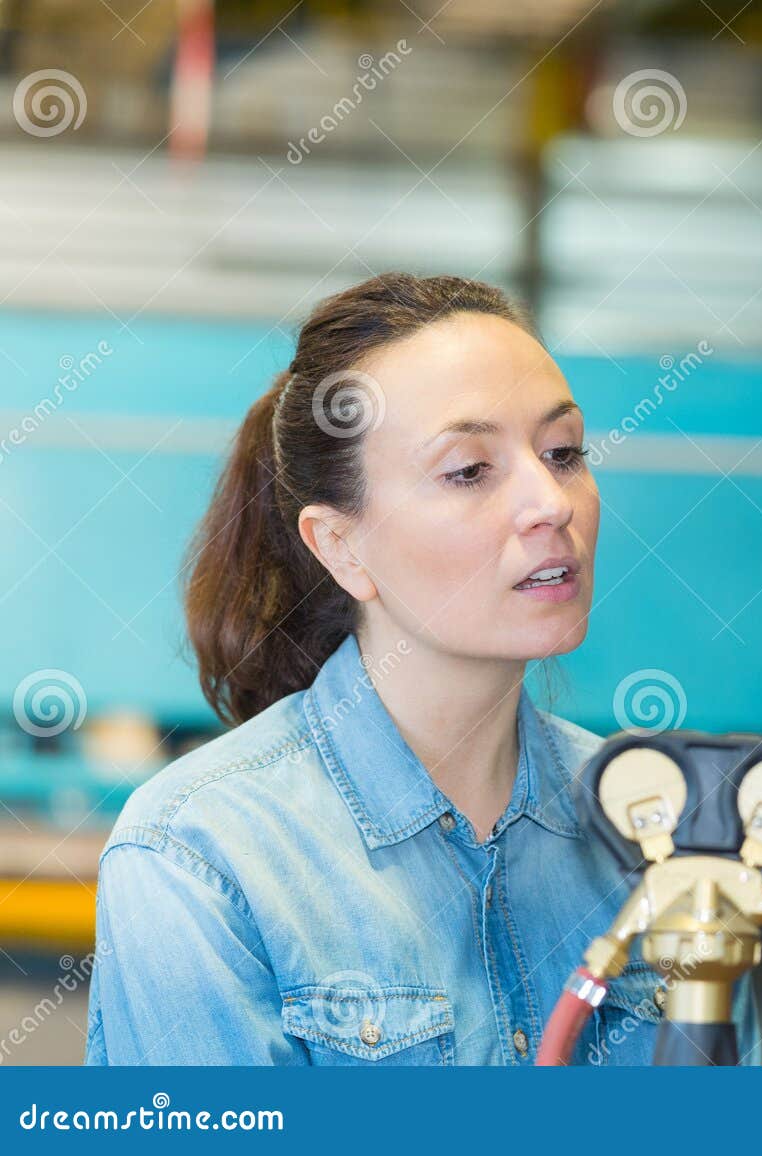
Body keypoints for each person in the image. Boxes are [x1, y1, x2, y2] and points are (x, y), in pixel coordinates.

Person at [84, 272, 727, 1064]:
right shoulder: (200, 856)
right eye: (469, 471)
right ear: (341, 547)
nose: (550, 503)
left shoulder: (656, 828)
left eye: (562, 453)